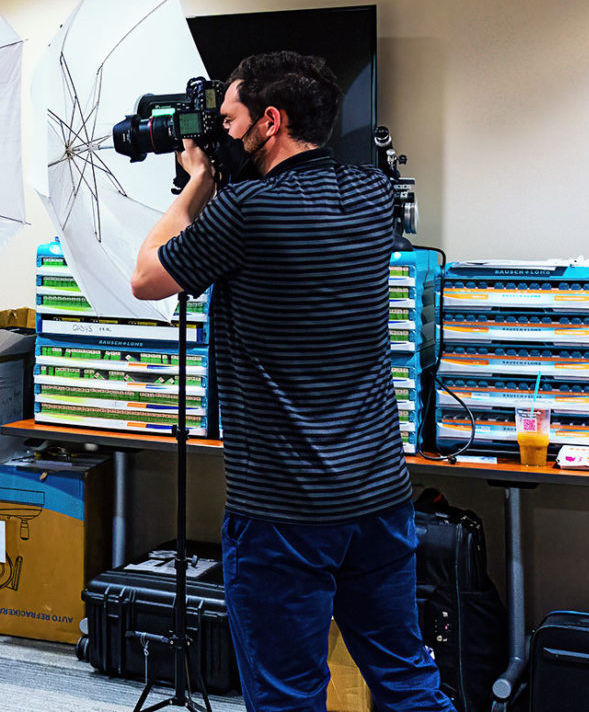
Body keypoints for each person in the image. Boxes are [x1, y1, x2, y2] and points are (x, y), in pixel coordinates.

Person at [130, 50, 453, 712]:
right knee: (408, 680)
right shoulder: (372, 194)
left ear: (269, 121)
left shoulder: (243, 210)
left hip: (282, 512)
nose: (221, 134)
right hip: (379, 497)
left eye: (229, 119)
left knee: (288, 697)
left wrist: (195, 180)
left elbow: (146, 277)